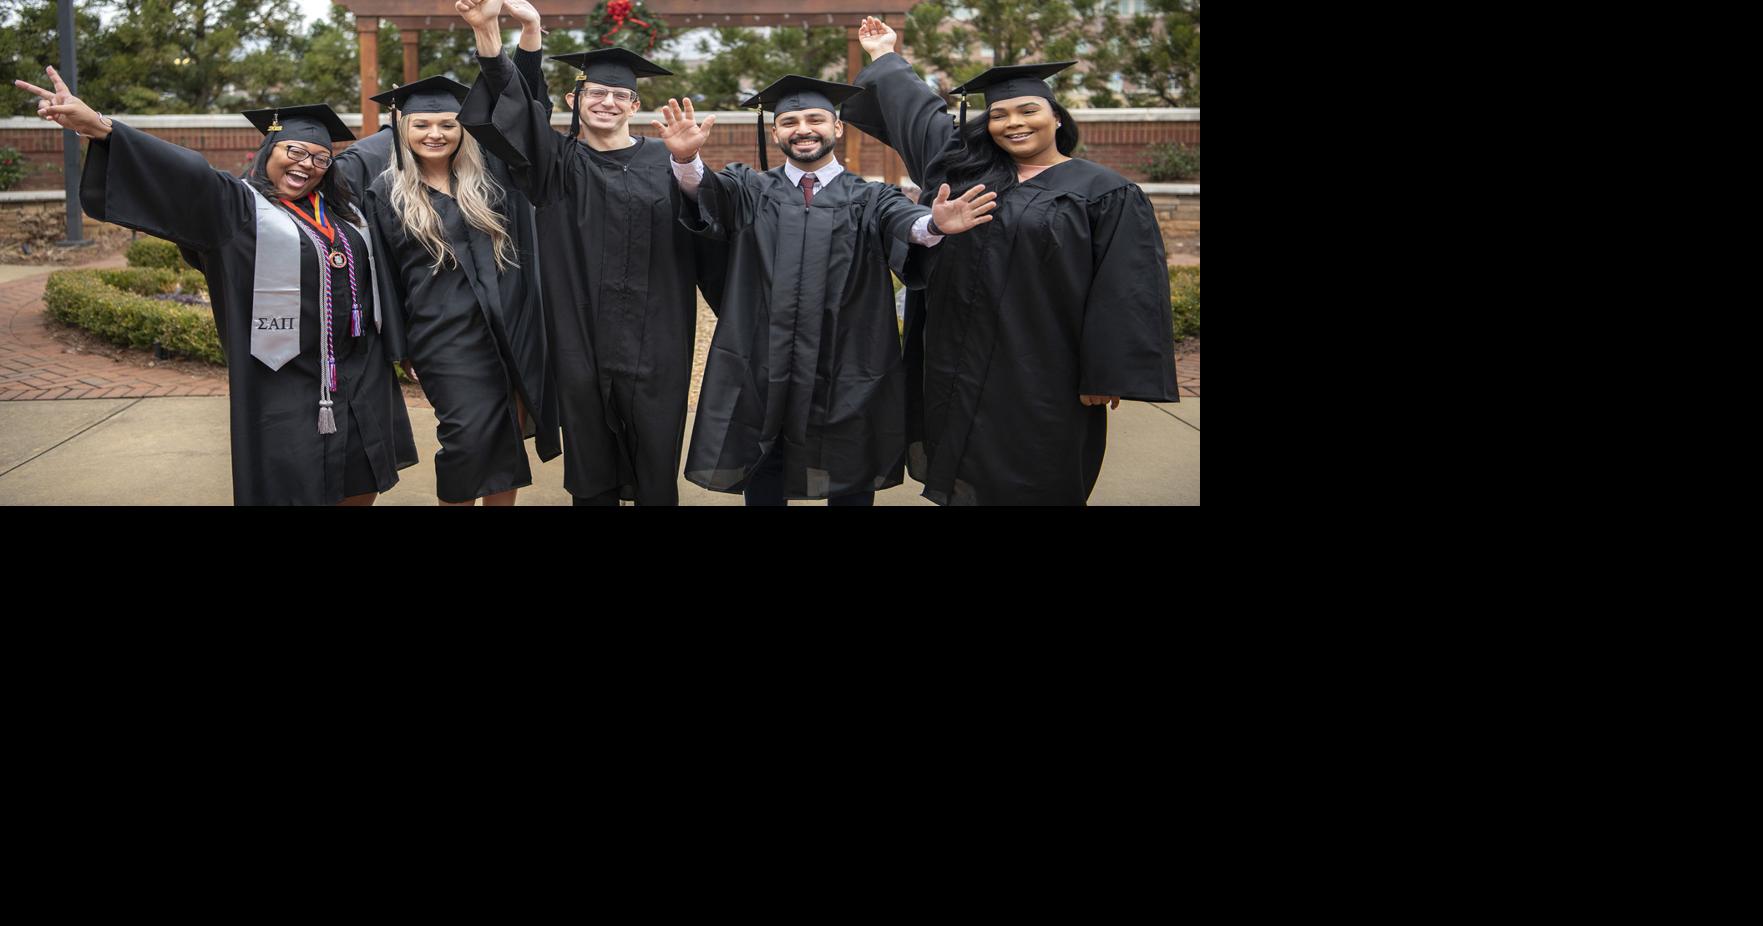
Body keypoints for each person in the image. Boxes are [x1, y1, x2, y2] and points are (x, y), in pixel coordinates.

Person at [18, 67, 417, 505]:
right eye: (295, 151)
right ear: (269, 149)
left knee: (361, 479)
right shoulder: (239, 208)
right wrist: (99, 126)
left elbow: (376, 154)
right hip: (285, 381)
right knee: (293, 488)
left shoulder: (345, 210)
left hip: (361, 374)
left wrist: (406, 120)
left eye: (320, 159)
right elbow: (187, 174)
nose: (307, 164)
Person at [843, 17, 1181, 505]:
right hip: (956, 357)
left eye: (1028, 110)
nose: (1014, 123)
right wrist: (885, 56)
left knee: (1040, 469)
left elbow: (1126, 285)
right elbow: (920, 115)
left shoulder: (1105, 191)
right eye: (999, 115)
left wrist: (1106, 371)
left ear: (1058, 118)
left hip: (1045, 364)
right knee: (963, 471)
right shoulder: (967, 173)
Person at [655, 75, 996, 505]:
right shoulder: (752, 189)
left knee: (849, 469)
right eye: (790, 121)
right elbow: (708, 193)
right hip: (767, 360)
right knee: (765, 466)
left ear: (837, 127)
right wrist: (686, 161)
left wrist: (933, 224)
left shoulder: (870, 196)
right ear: (775, 131)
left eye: (816, 118)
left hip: (847, 361)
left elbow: (905, 222)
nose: (803, 129)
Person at [456, 0, 712, 506]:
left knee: (657, 461)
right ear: (576, 99)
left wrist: (688, 162)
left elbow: (712, 221)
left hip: (657, 339)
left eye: (620, 94)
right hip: (581, 342)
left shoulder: (668, 159)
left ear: (634, 104)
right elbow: (518, 109)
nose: (608, 102)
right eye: (597, 92)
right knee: (591, 463)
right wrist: (504, 31)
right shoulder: (555, 164)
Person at [366, 69, 559, 506]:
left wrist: (525, 41)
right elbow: (385, 277)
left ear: (462, 128)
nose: (435, 134)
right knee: (466, 441)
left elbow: (528, 123)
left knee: (506, 436)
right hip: (443, 338)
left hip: (510, 331)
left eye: (447, 124)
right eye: (422, 125)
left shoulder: (491, 179)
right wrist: (402, 348)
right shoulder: (386, 193)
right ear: (403, 128)